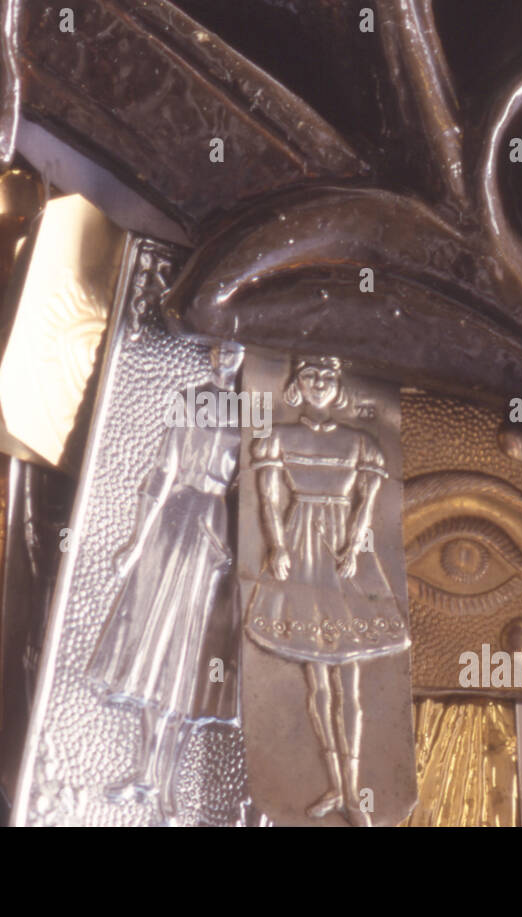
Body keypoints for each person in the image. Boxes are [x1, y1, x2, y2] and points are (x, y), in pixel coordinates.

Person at [244, 356, 409, 826]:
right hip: (298, 550)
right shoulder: (276, 436)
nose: (319, 383)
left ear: (338, 384)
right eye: (310, 375)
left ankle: (354, 792)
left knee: (350, 682)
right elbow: (269, 497)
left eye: (328, 376)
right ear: (296, 382)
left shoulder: (362, 443)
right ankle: (334, 785)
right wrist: (275, 547)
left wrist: (355, 546)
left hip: (343, 555)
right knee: (316, 679)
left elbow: (367, 501)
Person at [86, 342, 244, 823]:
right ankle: (145, 773)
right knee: (153, 652)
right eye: (219, 349)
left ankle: (168, 786)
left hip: (214, 536)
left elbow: (254, 490)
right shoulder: (190, 399)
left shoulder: (254, 414)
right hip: (173, 524)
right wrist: (135, 541)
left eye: (234, 351)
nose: (224, 358)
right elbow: (161, 472)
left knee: (186, 659)